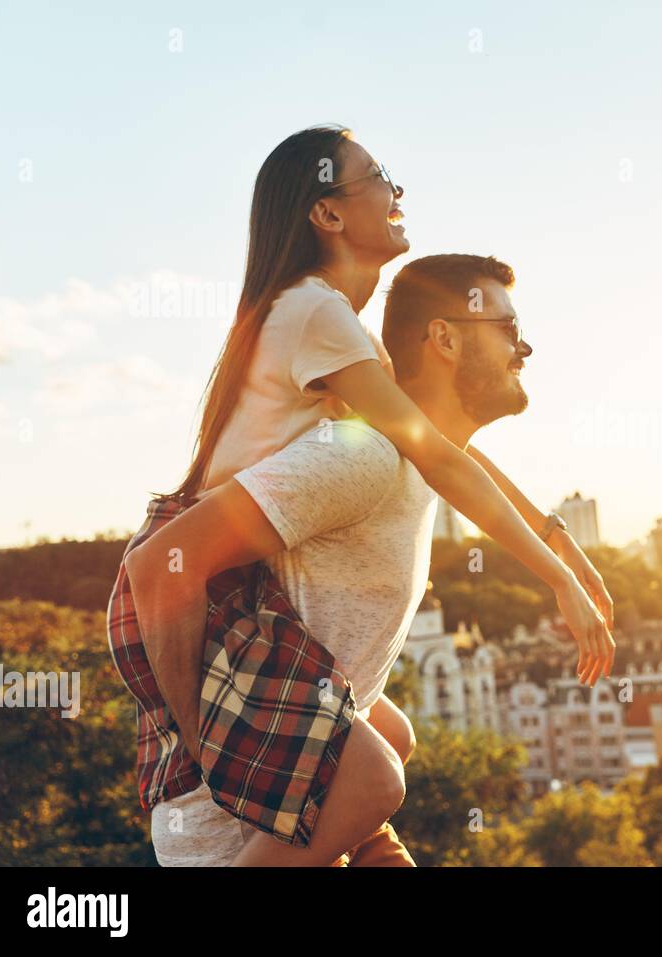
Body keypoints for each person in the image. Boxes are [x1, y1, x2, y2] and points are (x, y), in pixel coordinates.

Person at [110, 124, 612, 865]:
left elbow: (442, 450)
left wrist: (560, 544)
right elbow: (430, 453)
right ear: (329, 213)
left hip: (222, 582)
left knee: (390, 740)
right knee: (376, 773)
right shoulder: (315, 316)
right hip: (203, 586)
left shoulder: (343, 341)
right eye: (378, 175)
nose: (397, 189)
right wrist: (198, 745)